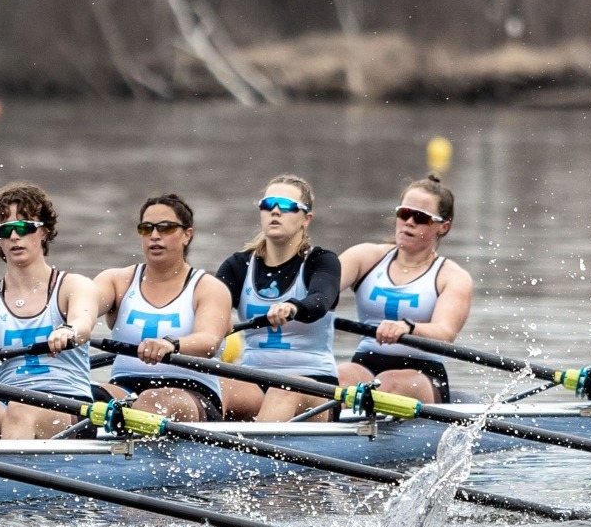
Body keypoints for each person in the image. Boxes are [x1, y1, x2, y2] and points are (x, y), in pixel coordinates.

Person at [0, 182, 98, 439]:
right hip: (8, 401)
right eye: (5, 230)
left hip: (70, 406)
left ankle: (5, 477)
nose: (15, 236)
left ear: (44, 232)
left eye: (24, 227)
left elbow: (83, 322)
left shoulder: (72, 285)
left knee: (21, 409)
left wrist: (69, 330)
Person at [213, 174, 343, 420]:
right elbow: (208, 308)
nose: (275, 211)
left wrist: (293, 307)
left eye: (285, 206)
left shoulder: (322, 261)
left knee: (283, 389)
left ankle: (250, 455)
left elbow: (320, 301)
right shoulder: (238, 265)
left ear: (306, 219)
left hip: (314, 387)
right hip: (253, 380)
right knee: (210, 385)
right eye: (268, 204)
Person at [93, 193, 231, 421]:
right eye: (146, 228)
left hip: (192, 392)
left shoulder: (208, 288)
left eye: (165, 228)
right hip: (124, 386)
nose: (154, 236)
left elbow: (209, 341)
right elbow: (81, 310)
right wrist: (69, 327)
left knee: (151, 401)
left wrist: (171, 344)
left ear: (187, 235)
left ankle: (131, 451)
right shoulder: (116, 281)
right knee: (82, 398)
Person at [338, 173, 474, 403]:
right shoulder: (365, 257)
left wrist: (409, 328)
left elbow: (445, 332)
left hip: (423, 373)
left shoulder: (452, 276)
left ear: (443, 227)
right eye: (404, 213)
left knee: (388, 383)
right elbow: (319, 292)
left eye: (421, 217)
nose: (409, 222)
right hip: (365, 362)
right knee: (339, 375)